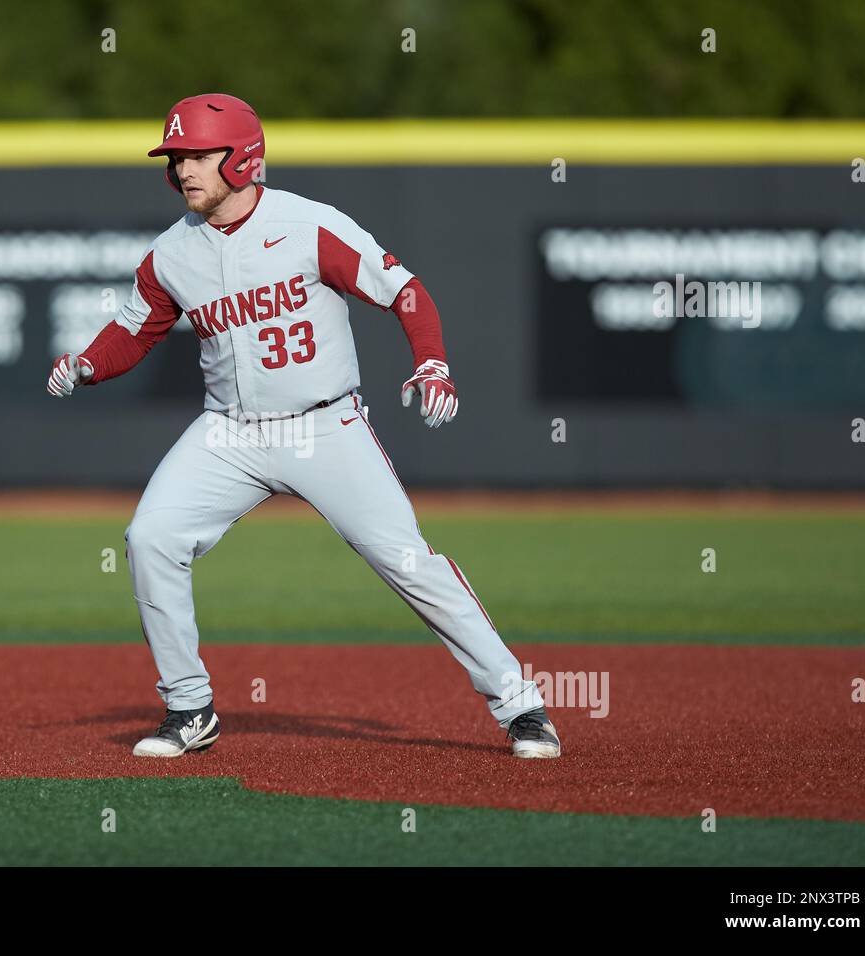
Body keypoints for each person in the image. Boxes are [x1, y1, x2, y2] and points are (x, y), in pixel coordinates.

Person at [47, 93, 560, 760]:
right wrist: (88, 363)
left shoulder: (307, 224)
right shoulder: (170, 253)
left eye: (198, 154)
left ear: (242, 157)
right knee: (150, 539)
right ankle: (189, 707)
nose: (183, 169)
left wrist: (432, 361)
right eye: (176, 158)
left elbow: (405, 291)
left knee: (410, 563)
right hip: (230, 432)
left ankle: (521, 706)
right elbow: (135, 331)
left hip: (325, 426)